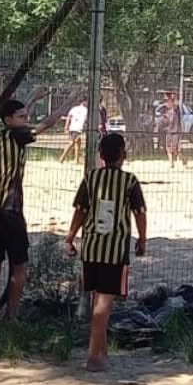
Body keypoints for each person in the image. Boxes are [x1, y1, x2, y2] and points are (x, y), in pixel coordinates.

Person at [0, 91, 69, 322]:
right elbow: (47, 124)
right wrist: (69, 102)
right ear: (9, 119)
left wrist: (34, 99)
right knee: (19, 265)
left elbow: (20, 117)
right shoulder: (18, 137)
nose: (26, 120)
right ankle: (11, 316)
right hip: (10, 210)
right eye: (22, 116)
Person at [63, 133, 147, 372]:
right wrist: (142, 239)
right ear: (124, 154)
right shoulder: (129, 181)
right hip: (115, 250)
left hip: (91, 248)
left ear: (100, 155)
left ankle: (101, 349)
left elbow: (80, 211)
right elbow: (139, 212)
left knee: (95, 300)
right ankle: (93, 357)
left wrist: (70, 237)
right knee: (104, 304)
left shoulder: (91, 178)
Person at [158, 93, 187, 169]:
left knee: (176, 149)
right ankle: (171, 163)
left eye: (167, 100)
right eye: (165, 100)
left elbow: (178, 120)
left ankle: (183, 159)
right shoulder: (164, 109)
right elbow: (162, 120)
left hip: (176, 132)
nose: (166, 102)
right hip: (169, 131)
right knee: (168, 148)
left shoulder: (176, 109)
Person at [58, 98, 88, 164]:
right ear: (84, 102)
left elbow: (69, 117)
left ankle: (76, 160)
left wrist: (66, 127)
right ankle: (61, 159)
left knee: (78, 142)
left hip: (72, 127)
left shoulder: (74, 108)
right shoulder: (86, 110)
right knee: (71, 143)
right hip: (78, 128)